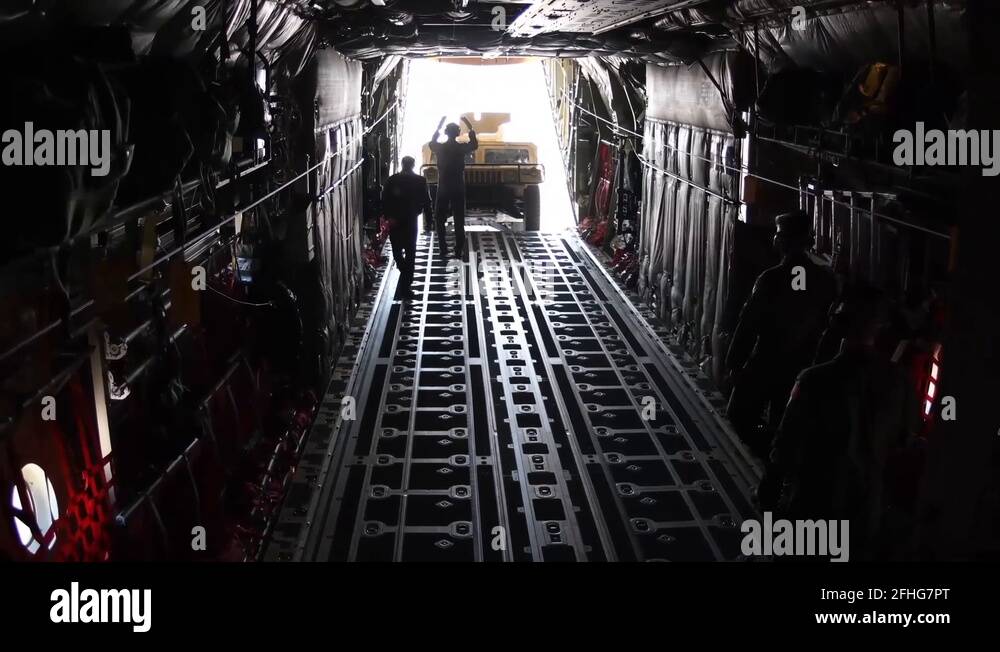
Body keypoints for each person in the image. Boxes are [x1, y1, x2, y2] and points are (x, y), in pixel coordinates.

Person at [758, 287, 920, 560]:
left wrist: (767, 499)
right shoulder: (900, 381)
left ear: (837, 325)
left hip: (814, 504)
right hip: (867, 509)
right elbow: (905, 443)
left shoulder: (812, 380)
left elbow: (784, 448)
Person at [725, 209, 837, 458]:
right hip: (803, 362)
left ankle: (766, 454)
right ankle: (775, 461)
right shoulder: (825, 279)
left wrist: (734, 361)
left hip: (767, 358)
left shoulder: (770, 279)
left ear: (783, 241)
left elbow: (749, 324)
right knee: (784, 419)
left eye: (778, 235)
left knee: (738, 414)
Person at [381, 156, 431, 301]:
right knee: (411, 252)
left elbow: (384, 199)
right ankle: (406, 285)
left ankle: (403, 269)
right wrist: (429, 222)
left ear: (402, 165)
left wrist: (387, 216)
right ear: (413, 165)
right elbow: (427, 201)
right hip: (411, 220)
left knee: (396, 250)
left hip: (395, 220)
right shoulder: (420, 181)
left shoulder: (391, 180)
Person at [429, 116, 478, 260]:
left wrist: (439, 125)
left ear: (446, 133)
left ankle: (443, 249)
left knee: (439, 218)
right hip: (458, 185)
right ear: (457, 133)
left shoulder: (440, 148)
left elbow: (432, 142)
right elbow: (474, 144)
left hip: (443, 185)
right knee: (459, 219)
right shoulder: (460, 148)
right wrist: (470, 127)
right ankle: (458, 250)